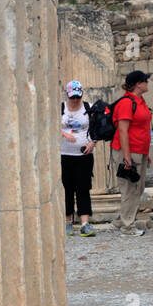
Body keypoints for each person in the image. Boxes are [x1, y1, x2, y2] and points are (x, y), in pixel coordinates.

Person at [112, 70, 153, 235]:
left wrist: (146, 154)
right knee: (130, 188)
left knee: (138, 187)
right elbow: (123, 131)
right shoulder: (127, 103)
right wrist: (127, 157)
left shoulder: (140, 101)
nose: (148, 83)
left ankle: (121, 219)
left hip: (139, 150)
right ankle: (127, 226)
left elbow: (142, 128)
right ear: (138, 84)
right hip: (128, 150)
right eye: (146, 81)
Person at [59, 80, 96, 236]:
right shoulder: (60, 108)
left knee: (83, 188)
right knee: (66, 188)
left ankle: (85, 223)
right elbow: (49, 125)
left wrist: (93, 143)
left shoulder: (88, 107)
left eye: (77, 97)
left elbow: (96, 128)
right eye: (72, 97)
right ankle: (68, 222)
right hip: (64, 154)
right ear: (68, 95)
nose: (75, 100)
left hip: (84, 155)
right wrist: (64, 133)